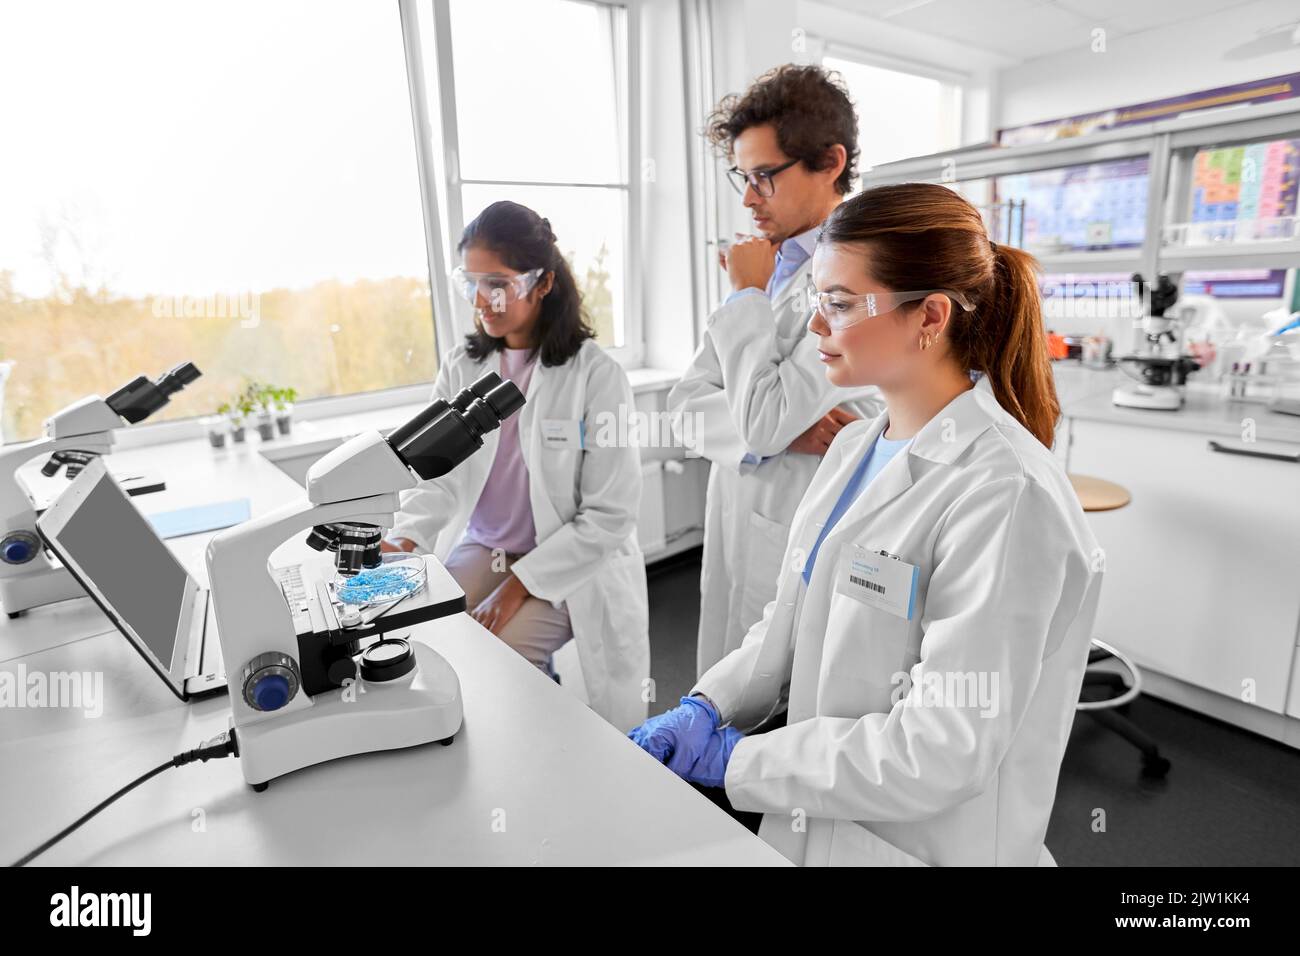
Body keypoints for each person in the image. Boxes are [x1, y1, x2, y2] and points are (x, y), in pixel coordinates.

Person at [631, 183, 1104, 866]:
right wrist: (711, 703)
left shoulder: (1006, 494)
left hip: (925, 845)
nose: (817, 327)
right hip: (823, 821)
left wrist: (740, 762)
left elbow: (941, 750)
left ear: (930, 317)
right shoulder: (856, 445)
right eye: (819, 300)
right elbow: (791, 622)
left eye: (840, 304)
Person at [386, 201, 648, 732]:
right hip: (488, 546)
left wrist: (518, 586)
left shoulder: (596, 376)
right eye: (472, 283)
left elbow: (608, 515)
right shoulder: (463, 366)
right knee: (434, 635)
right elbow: (438, 477)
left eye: (498, 283)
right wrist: (406, 539)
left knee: (502, 657)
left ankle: (542, 777)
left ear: (543, 281)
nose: (484, 301)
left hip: (570, 561)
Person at [668, 64, 882, 677]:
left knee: (790, 694)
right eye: (743, 175)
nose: (747, 197)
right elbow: (686, 409)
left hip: (806, 513)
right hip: (741, 508)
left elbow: (758, 422)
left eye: (765, 176)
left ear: (831, 161)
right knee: (727, 682)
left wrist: (744, 298)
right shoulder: (770, 269)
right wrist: (780, 431)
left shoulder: (861, 272)